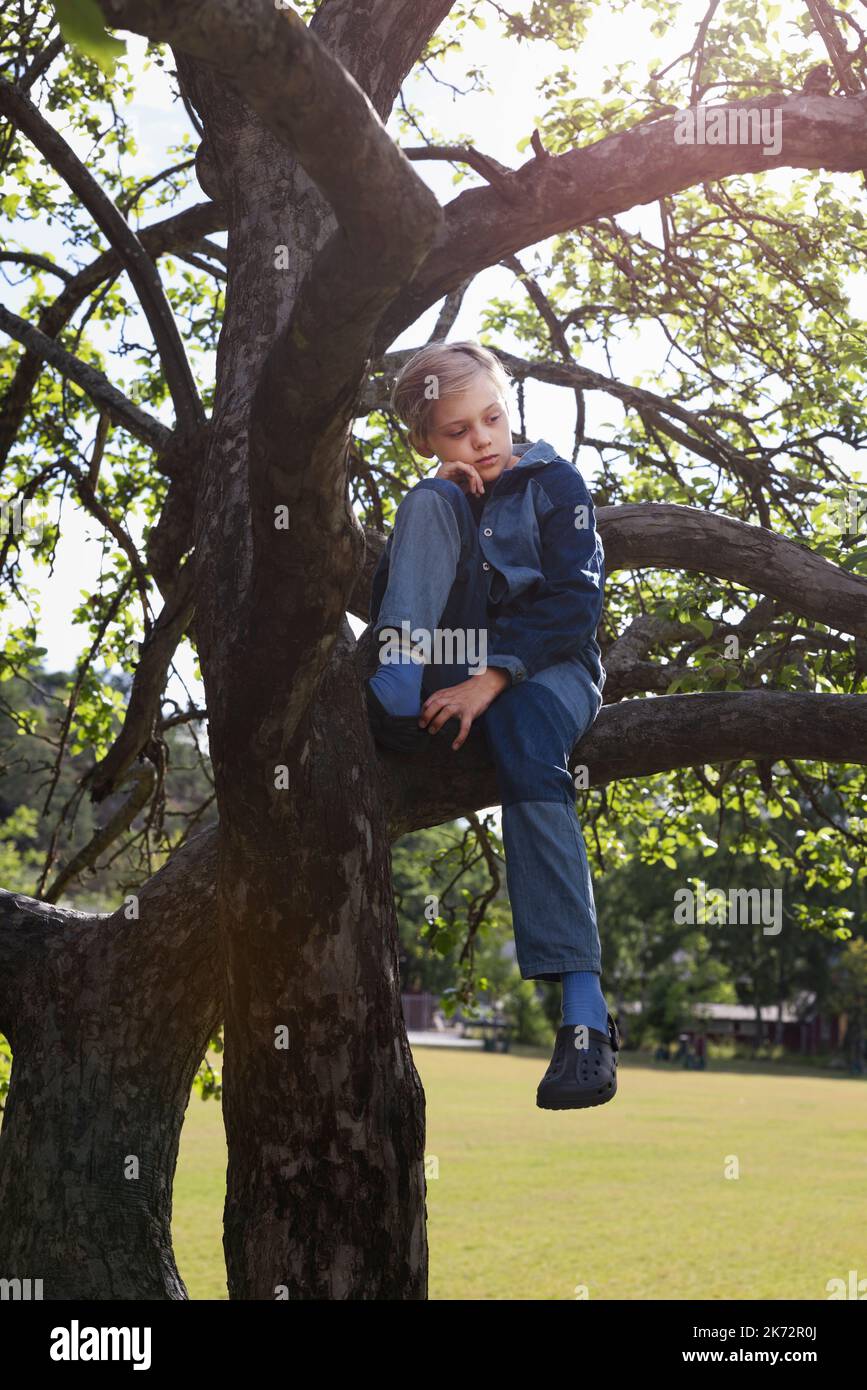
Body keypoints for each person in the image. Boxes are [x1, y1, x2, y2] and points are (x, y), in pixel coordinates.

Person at [365, 340, 620, 1110]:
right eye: (456, 431)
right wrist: (449, 498)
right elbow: (396, 594)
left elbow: (577, 601)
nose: (481, 439)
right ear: (425, 441)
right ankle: (394, 693)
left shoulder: (555, 483)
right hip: (452, 662)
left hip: (549, 671)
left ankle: (583, 1019)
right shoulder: (443, 493)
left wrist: (492, 678)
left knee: (524, 740)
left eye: (491, 418)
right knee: (425, 504)